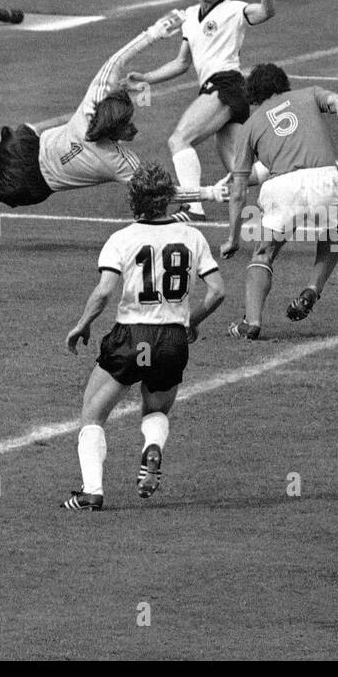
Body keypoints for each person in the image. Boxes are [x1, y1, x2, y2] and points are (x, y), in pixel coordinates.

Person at [0, 12, 224, 211]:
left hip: (27, 147)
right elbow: (162, 191)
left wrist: (153, 33)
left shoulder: (89, 110)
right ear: (118, 131)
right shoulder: (120, 161)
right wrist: (209, 192)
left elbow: (115, 62)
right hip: (32, 183)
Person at [61, 162, 226, 511]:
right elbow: (217, 292)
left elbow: (104, 291)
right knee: (156, 411)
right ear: (168, 198)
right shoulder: (192, 236)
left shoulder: (121, 238)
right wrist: (190, 322)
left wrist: (82, 324)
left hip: (131, 337)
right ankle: (152, 449)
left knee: (92, 417)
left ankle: (92, 492)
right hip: (172, 340)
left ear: (133, 198)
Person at [219, 63, 338, 337]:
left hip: (282, 186)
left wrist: (232, 237)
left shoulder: (249, 127)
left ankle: (251, 323)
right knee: (334, 233)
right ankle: (313, 289)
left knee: (263, 253)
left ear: (253, 95)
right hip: (326, 178)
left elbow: (239, 189)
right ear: (284, 84)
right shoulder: (309, 93)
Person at [124, 0, 275, 220]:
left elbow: (266, 12)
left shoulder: (234, 10)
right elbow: (182, 63)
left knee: (179, 139)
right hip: (223, 90)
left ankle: (193, 208)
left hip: (226, 85)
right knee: (241, 170)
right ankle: (303, 164)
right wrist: (147, 77)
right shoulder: (191, 16)